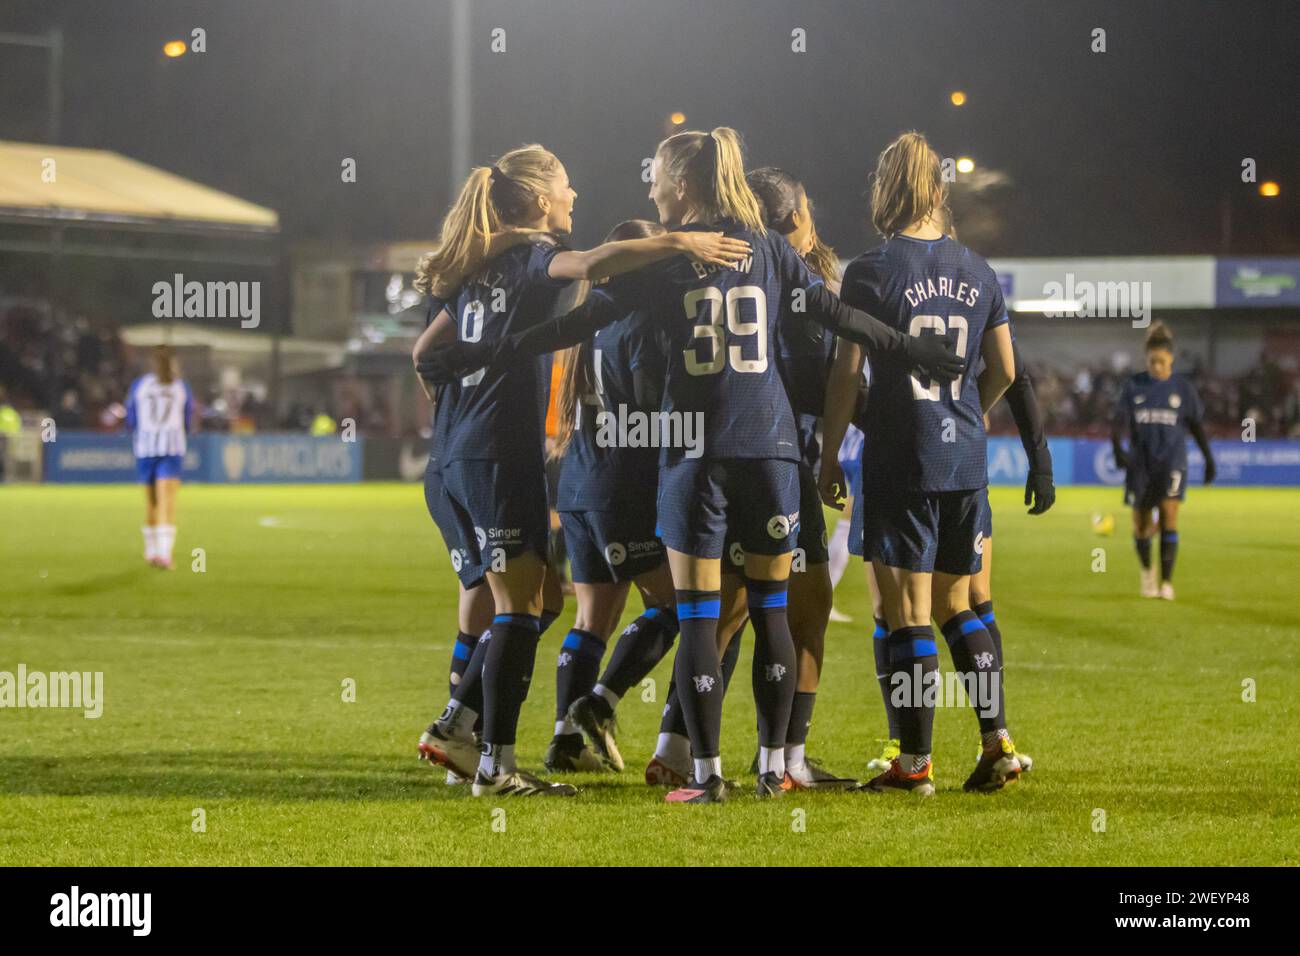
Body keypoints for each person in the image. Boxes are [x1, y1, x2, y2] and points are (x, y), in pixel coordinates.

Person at [420, 127, 965, 803]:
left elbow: (576, 326)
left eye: (656, 179)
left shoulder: (664, 265)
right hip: (767, 448)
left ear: (681, 186)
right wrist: (914, 349)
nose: (649, 187)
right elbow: (837, 313)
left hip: (694, 454)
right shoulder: (765, 247)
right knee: (770, 611)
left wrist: (489, 354)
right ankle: (773, 766)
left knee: (700, 617)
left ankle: (704, 775)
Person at [411, 143, 752, 798]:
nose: (573, 197)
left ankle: (461, 724)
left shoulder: (475, 269)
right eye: (565, 186)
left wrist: (452, 401)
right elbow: (593, 262)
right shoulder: (532, 258)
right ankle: (494, 765)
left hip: (452, 453)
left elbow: (427, 350)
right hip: (496, 453)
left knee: (537, 602)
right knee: (518, 607)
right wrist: (683, 240)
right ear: (539, 199)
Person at [824, 131, 1018, 796]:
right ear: (939, 191)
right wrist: (970, 413)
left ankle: (913, 765)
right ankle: (998, 742)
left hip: (901, 453)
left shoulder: (871, 271)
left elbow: (848, 372)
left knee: (905, 611)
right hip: (964, 454)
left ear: (885, 191)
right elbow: (1007, 371)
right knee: (959, 604)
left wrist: (829, 452)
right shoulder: (979, 269)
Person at [1111, 321, 1215, 600]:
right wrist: (1118, 450)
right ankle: (1147, 572)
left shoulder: (1183, 388)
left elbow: (1196, 427)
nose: (1156, 366)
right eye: (1152, 361)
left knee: (1169, 518)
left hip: (1172, 463)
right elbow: (1118, 423)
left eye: (1161, 361)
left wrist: (1208, 459)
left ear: (1170, 358)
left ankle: (1167, 583)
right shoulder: (1134, 386)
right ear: (1146, 358)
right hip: (1141, 466)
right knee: (1142, 526)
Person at [125, 345, 193, 570]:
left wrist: (141, 431)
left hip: (145, 447)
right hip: (171, 447)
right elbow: (187, 417)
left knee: (151, 503)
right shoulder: (180, 387)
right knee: (167, 501)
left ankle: (151, 551)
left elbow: (131, 416)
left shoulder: (140, 386)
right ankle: (164, 554)